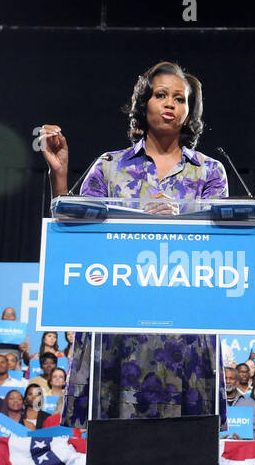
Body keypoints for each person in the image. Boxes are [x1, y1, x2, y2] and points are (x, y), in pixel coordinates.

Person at [42, 60, 227, 429]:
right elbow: (74, 233)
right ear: (145, 103)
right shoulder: (109, 166)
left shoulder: (209, 172)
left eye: (180, 98)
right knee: (112, 453)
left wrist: (180, 220)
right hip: (116, 327)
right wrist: (59, 176)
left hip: (183, 327)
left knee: (181, 452)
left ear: (190, 112)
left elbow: (219, 249)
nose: (169, 104)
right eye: (161, 95)